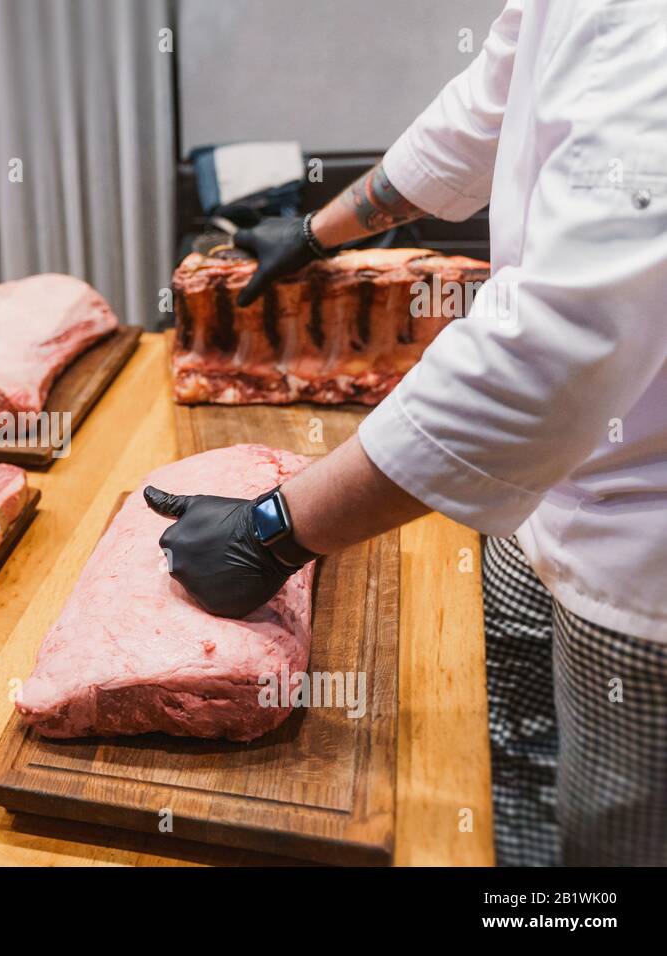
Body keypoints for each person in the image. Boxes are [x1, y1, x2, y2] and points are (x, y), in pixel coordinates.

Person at [146, 0, 666, 866]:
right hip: (537, 501)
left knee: (610, 850)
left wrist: (273, 532)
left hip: (644, 557)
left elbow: (555, 346)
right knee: (513, 795)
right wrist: (315, 234)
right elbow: (472, 123)